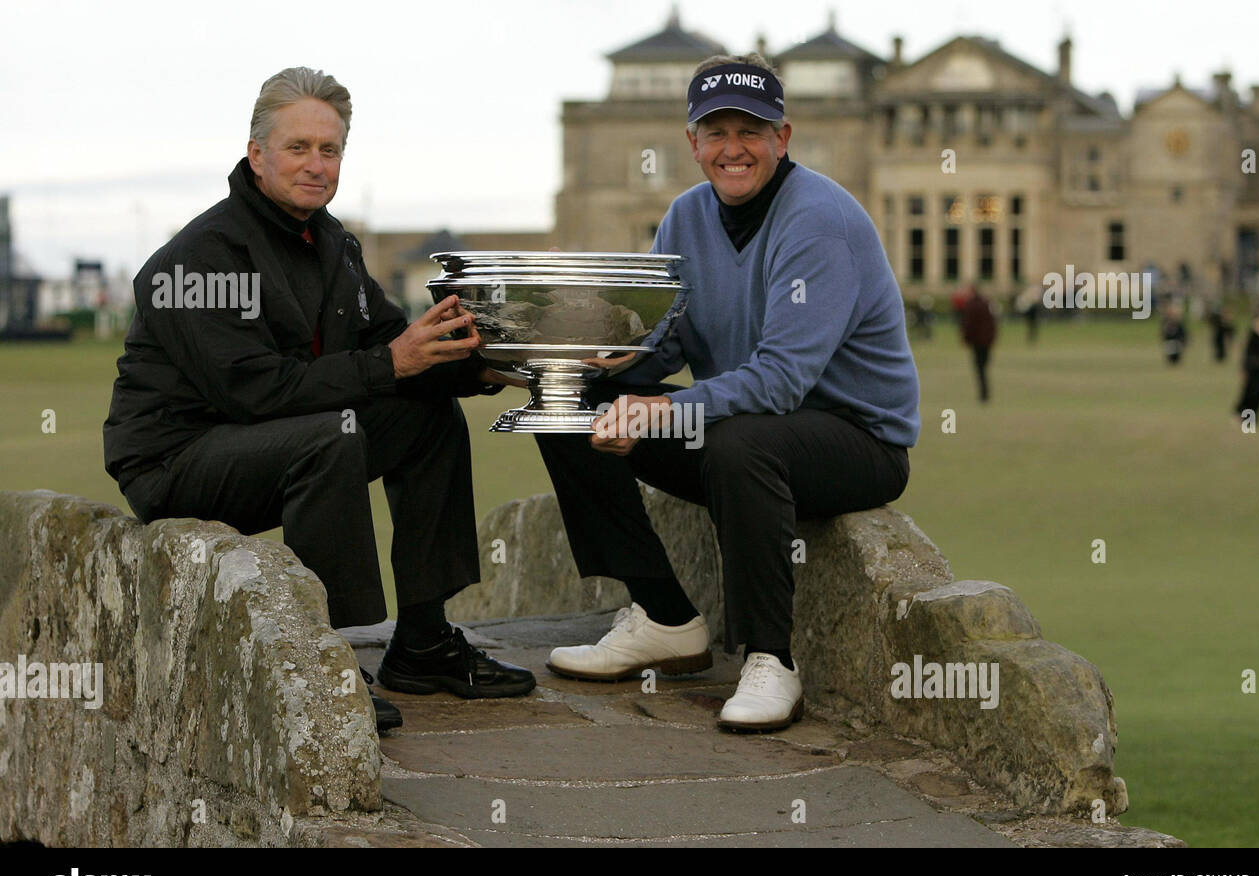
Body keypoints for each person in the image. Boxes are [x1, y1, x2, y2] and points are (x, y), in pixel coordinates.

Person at [103, 67, 535, 733]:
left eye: (329, 150)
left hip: (285, 437)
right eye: (298, 147)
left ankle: (423, 641)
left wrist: (486, 366)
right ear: (257, 155)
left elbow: (397, 346)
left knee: (426, 417)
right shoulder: (192, 262)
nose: (315, 164)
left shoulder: (334, 243)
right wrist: (389, 363)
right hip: (176, 459)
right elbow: (256, 393)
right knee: (331, 432)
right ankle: (325, 654)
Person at [533, 54, 920, 732]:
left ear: (783, 137)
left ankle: (771, 660)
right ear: (693, 143)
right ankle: (664, 619)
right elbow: (675, 341)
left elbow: (781, 380)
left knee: (742, 444)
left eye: (751, 130)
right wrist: (606, 361)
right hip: (749, 422)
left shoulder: (820, 219)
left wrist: (664, 410)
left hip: (855, 437)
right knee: (566, 405)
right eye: (716, 132)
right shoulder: (685, 216)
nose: (732, 149)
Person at [958, 285, 996, 401]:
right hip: (986, 341)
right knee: (983, 367)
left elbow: (969, 325)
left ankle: (983, 393)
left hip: (977, 341)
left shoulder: (972, 306)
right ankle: (984, 392)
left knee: (979, 368)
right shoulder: (986, 304)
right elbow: (992, 323)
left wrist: (965, 339)